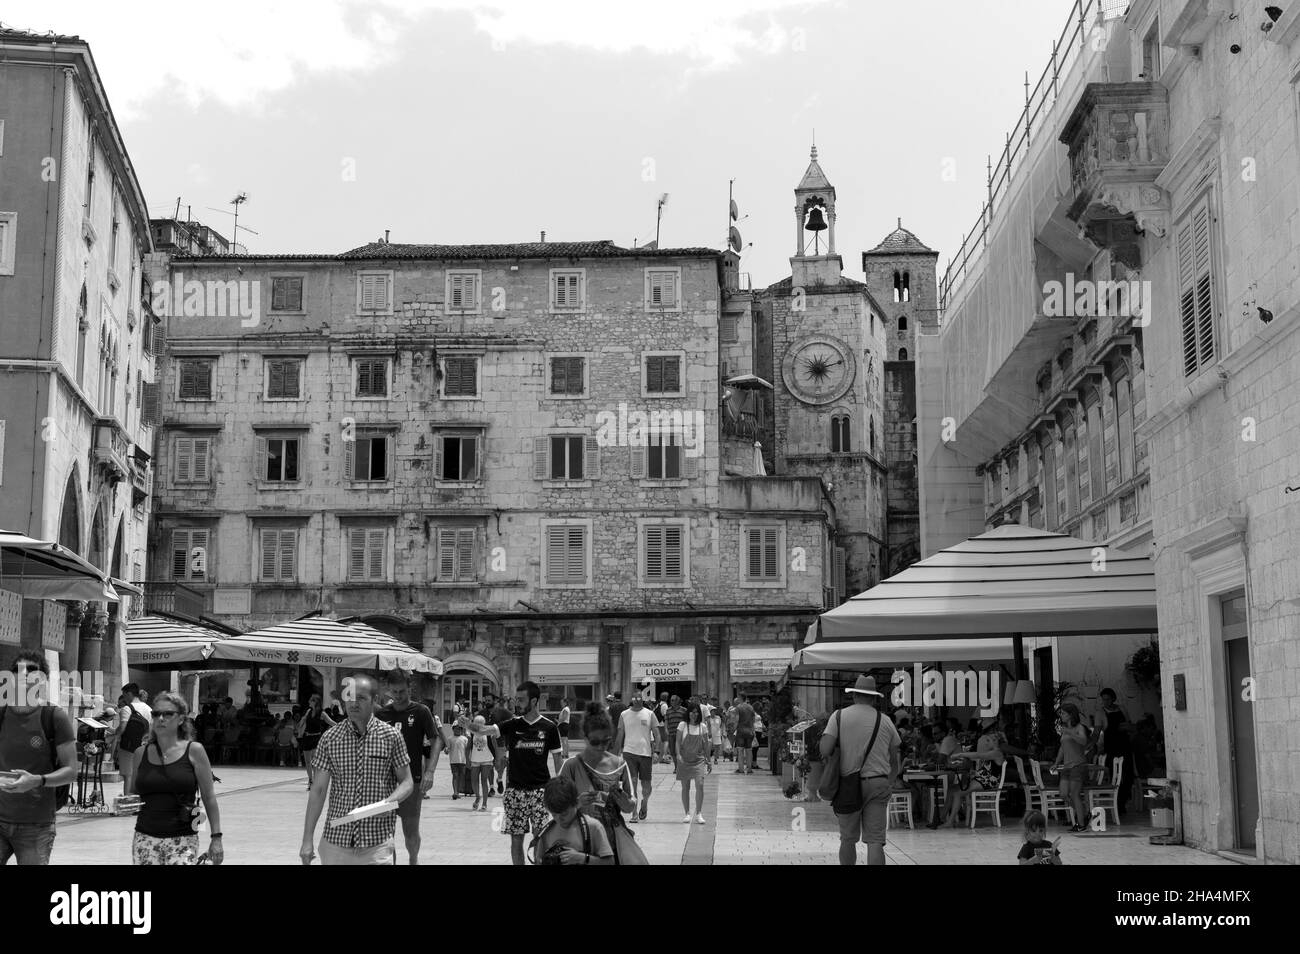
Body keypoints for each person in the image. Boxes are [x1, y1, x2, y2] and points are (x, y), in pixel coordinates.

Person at [300, 674, 413, 865]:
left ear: (374, 701)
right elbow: (318, 791)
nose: (353, 704)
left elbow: (407, 782)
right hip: (336, 840)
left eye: (360, 698)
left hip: (376, 843)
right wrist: (307, 839)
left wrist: (389, 802)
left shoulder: (391, 736)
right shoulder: (330, 739)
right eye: (349, 697)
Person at [471, 681, 563, 865]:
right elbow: (484, 730)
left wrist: (559, 788)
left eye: (521, 700)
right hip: (515, 791)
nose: (517, 704)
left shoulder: (550, 727)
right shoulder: (512, 724)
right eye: (516, 699)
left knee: (541, 838)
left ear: (534, 701)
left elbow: (558, 760)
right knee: (516, 839)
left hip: (540, 791)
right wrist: (469, 725)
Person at [0, 652, 79, 865]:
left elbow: (71, 770)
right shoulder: (1, 714)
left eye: (31, 670)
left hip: (36, 825)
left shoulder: (53, 716)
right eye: (17, 670)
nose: (23, 674)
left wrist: (37, 780)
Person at [127, 692, 223, 865]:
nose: (161, 718)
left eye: (168, 714)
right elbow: (133, 795)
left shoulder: (195, 751)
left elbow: (209, 797)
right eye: (156, 714)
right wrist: (125, 802)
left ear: (180, 720)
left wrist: (216, 838)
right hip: (144, 838)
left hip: (183, 840)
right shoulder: (140, 754)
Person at [819, 675, 901, 866]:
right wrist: (889, 780)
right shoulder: (885, 720)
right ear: (873, 698)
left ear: (854, 695)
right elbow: (895, 757)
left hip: (848, 785)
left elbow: (825, 749)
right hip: (879, 782)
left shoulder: (839, 716)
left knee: (848, 838)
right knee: (875, 841)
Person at [559, 702, 647, 864]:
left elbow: (630, 806)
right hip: (580, 838)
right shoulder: (571, 766)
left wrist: (624, 801)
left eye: (606, 741)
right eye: (595, 742)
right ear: (585, 738)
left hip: (611, 841)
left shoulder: (619, 764)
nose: (601, 746)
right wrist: (577, 804)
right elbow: (556, 806)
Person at [374, 669, 443, 864]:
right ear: (388, 690)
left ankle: (413, 859)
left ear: (409, 688)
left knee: (410, 832)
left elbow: (436, 740)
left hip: (411, 781)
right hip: (384, 784)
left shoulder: (421, 712)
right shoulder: (381, 714)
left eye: (402, 691)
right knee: (385, 834)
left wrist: (430, 771)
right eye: (394, 692)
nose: (398, 696)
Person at [930, 715, 1006, 829]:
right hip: (983, 779)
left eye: (990, 740)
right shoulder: (993, 752)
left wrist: (961, 754)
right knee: (952, 789)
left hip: (987, 782)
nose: (987, 742)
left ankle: (949, 822)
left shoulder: (996, 753)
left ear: (995, 742)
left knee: (957, 793)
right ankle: (941, 817)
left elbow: (978, 755)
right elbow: (984, 765)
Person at [530, 777, 614, 865]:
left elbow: (610, 862)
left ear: (576, 803)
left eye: (564, 814)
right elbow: (538, 860)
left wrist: (582, 858)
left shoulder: (593, 827)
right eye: (554, 814)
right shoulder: (546, 832)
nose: (559, 819)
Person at [614, 692, 663, 823]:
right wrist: (616, 753)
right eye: (634, 698)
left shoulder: (649, 713)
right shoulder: (624, 714)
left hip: (645, 753)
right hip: (629, 753)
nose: (637, 700)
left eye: (639, 698)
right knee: (632, 783)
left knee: (646, 787)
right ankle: (634, 813)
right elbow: (620, 734)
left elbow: (657, 734)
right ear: (631, 699)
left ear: (643, 699)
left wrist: (657, 751)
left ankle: (644, 802)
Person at [1052, 703, 1090, 833]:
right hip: (1067, 766)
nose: (1061, 716)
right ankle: (1084, 815)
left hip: (1078, 765)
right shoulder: (1064, 729)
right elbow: (1063, 747)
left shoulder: (1079, 727)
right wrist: (1057, 762)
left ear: (1070, 715)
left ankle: (1081, 824)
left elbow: (1083, 741)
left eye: (1063, 713)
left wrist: (1069, 732)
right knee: (1063, 794)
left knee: (1074, 794)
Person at [1097, 688, 1133, 815]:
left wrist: (1126, 727)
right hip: (1112, 747)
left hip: (1125, 746)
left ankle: (1122, 802)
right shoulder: (1100, 713)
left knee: (1128, 776)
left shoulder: (1122, 709)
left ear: (1113, 698)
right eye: (1103, 699)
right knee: (1115, 776)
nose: (1105, 702)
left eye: (1107, 699)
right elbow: (1097, 732)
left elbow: (1129, 724)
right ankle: (1117, 803)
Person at [676, 702, 713, 824]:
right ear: (688, 713)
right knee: (685, 787)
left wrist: (709, 760)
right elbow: (677, 742)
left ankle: (699, 813)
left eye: (696, 712)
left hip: (699, 760)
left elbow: (706, 744)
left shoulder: (703, 727)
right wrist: (678, 755)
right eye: (692, 712)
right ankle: (686, 813)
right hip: (684, 760)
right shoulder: (682, 725)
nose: (694, 714)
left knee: (700, 784)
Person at [116, 683, 153, 797]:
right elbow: (151, 729)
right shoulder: (149, 709)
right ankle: (140, 800)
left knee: (128, 775)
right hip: (143, 745)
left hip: (128, 746)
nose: (124, 698)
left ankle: (128, 801)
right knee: (141, 773)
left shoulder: (127, 709)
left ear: (129, 693)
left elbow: (122, 728)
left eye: (124, 695)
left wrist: (114, 736)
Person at [297, 694, 335, 788]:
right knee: (307, 761)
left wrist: (342, 726)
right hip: (307, 737)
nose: (309, 702)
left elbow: (330, 722)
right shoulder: (309, 711)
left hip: (316, 738)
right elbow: (302, 722)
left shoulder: (321, 713)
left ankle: (315, 781)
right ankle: (310, 780)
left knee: (314, 761)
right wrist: (302, 722)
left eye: (311, 700)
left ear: (315, 702)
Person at [467, 716, 496, 810]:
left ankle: (484, 804)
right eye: (477, 723)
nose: (479, 725)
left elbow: (494, 745)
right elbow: (468, 746)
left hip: (487, 759)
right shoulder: (471, 733)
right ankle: (477, 797)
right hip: (475, 759)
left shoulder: (488, 732)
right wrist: (467, 759)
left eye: (481, 723)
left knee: (484, 780)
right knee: (474, 781)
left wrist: (496, 758)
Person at [489, 695, 514, 794]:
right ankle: (492, 785)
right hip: (495, 737)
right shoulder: (495, 712)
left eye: (504, 701)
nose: (503, 703)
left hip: (503, 739)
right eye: (501, 701)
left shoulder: (508, 713)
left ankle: (499, 779)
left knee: (502, 762)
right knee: (494, 762)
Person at [733, 693, 757, 775]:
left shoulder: (738, 707)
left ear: (740, 698)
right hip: (750, 731)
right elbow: (754, 719)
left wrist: (734, 729)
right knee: (749, 750)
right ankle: (749, 769)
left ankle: (741, 769)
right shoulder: (751, 707)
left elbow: (736, 720)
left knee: (740, 750)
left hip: (741, 731)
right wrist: (753, 729)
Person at [447, 724, 469, 798]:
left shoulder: (465, 739)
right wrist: (446, 750)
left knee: (461, 776)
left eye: (459, 729)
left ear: (462, 730)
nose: (458, 730)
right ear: (453, 729)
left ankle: (458, 791)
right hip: (453, 761)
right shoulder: (450, 739)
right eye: (456, 729)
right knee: (455, 776)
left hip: (463, 761)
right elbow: (447, 748)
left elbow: (467, 750)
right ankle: (455, 792)